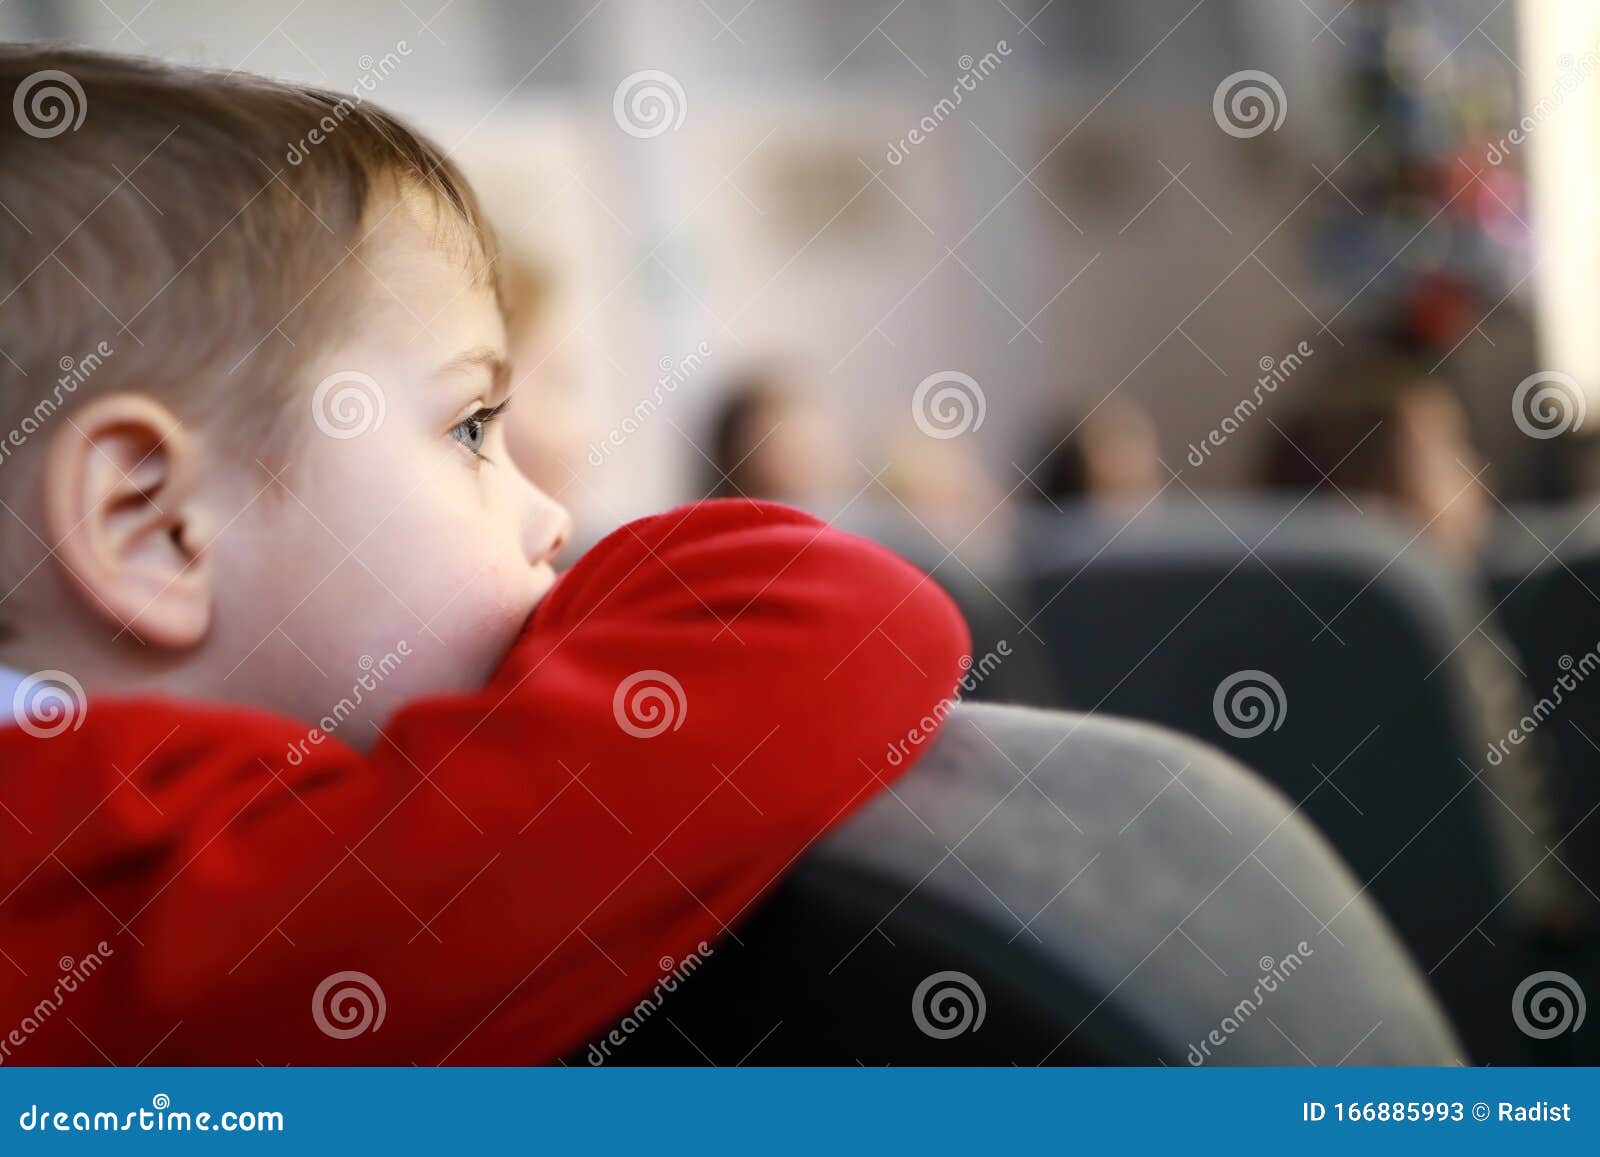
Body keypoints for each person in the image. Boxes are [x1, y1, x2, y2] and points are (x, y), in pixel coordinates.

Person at [0, 48, 969, 1063]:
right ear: (156, 526)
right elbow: (818, 612)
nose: (547, 516)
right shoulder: (152, 907)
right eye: (468, 429)